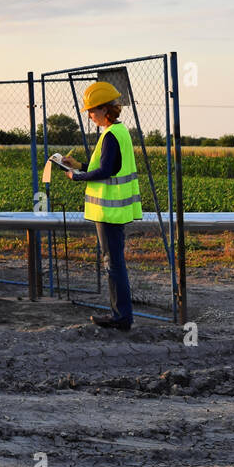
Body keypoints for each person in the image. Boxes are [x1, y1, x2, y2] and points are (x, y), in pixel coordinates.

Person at [65, 81, 142, 330]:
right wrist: (77, 165)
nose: (90, 115)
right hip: (113, 212)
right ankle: (121, 315)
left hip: (109, 213)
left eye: (92, 110)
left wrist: (77, 177)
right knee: (115, 262)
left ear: (105, 109)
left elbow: (106, 171)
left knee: (113, 264)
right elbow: (103, 166)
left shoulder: (110, 135)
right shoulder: (119, 132)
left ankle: (121, 317)